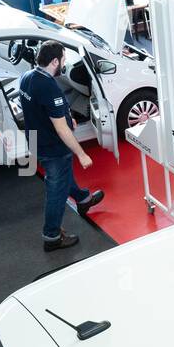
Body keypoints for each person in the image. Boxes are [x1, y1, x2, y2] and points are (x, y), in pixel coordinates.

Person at [17, 42, 104, 251]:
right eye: (64, 60)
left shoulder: (27, 77)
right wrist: (81, 153)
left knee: (62, 176)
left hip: (37, 140)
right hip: (53, 146)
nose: (64, 63)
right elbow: (61, 130)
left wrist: (67, 116)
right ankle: (52, 236)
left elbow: (39, 109)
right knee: (56, 190)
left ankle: (83, 198)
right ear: (55, 61)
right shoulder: (48, 86)